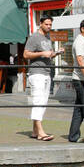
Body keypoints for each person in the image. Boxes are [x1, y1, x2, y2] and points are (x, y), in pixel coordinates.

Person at [23, 12, 58, 141]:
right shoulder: (34, 37)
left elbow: (46, 54)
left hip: (47, 72)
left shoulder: (48, 38)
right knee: (38, 101)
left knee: (43, 102)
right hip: (36, 72)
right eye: (47, 24)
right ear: (41, 24)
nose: (49, 26)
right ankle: (41, 132)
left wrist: (54, 54)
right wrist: (42, 53)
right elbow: (26, 55)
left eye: (50, 24)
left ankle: (34, 131)